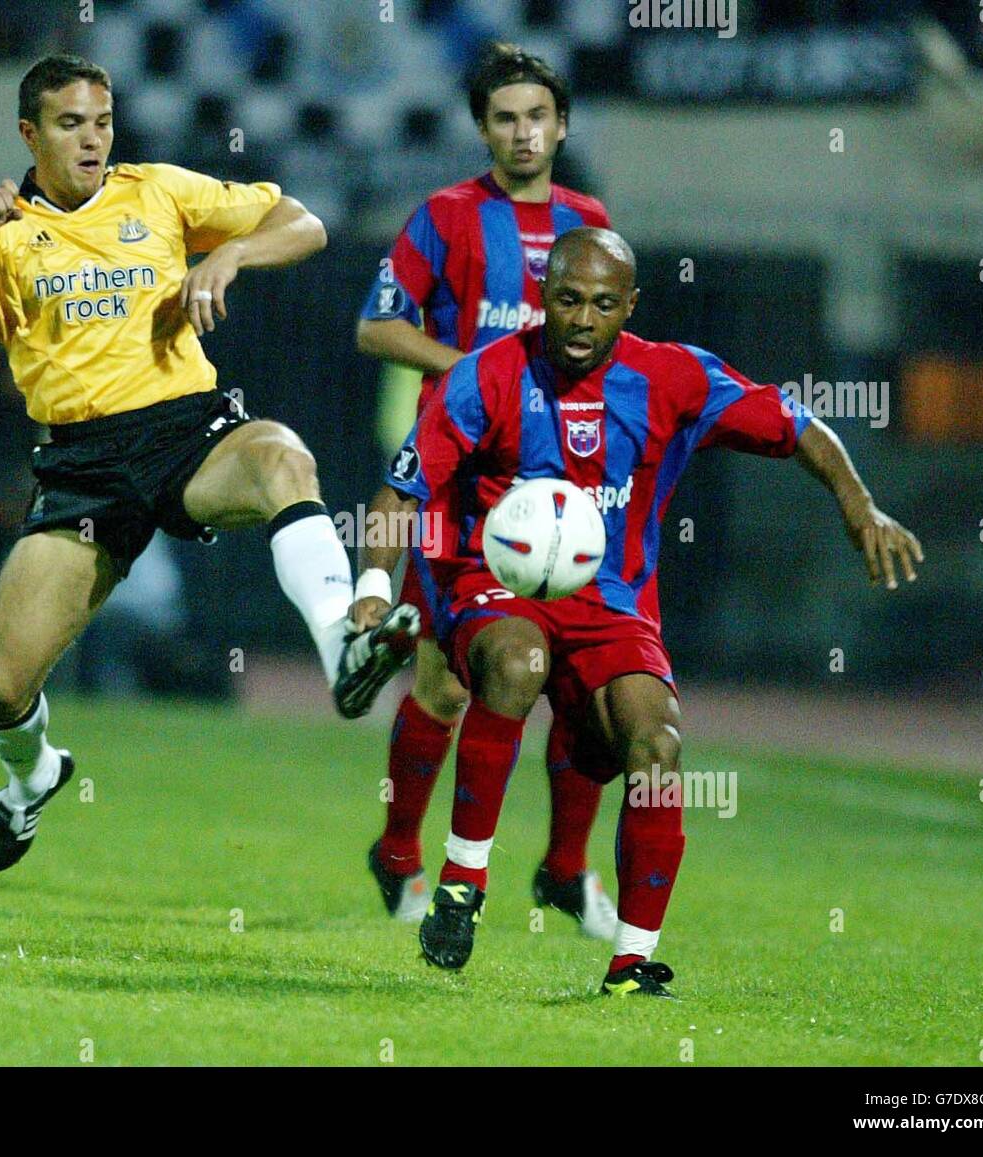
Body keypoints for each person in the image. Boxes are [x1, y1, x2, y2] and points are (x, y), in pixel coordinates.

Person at [0, 54, 417, 873]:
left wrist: (230, 257)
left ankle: (345, 649)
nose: (91, 140)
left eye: (101, 121)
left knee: (280, 458)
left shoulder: (155, 190)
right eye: (69, 124)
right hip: (81, 471)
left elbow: (304, 222)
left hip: (184, 433)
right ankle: (33, 780)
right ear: (30, 133)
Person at [343, 227, 924, 996]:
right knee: (517, 664)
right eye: (569, 299)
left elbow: (795, 424)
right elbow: (403, 489)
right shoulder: (489, 375)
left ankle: (631, 961)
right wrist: (373, 588)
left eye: (604, 304)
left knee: (656, 744)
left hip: (613, 608)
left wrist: (860, 505)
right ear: (544, 297)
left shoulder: (671, 376)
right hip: (492, 584)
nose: (583, 319)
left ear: (631, 307)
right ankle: (461, 883)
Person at [353, 42, 617, 935]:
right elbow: (377, 327)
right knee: (446, 686)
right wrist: (474, 369)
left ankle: (567, 867)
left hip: (563, 495)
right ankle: (398, 849)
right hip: (460, 490)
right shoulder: (446, 217)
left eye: (537, 116)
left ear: (562, 125)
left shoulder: (589, 221)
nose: (523, 132)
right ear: (483, 129)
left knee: (580, 686)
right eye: (505, 118)